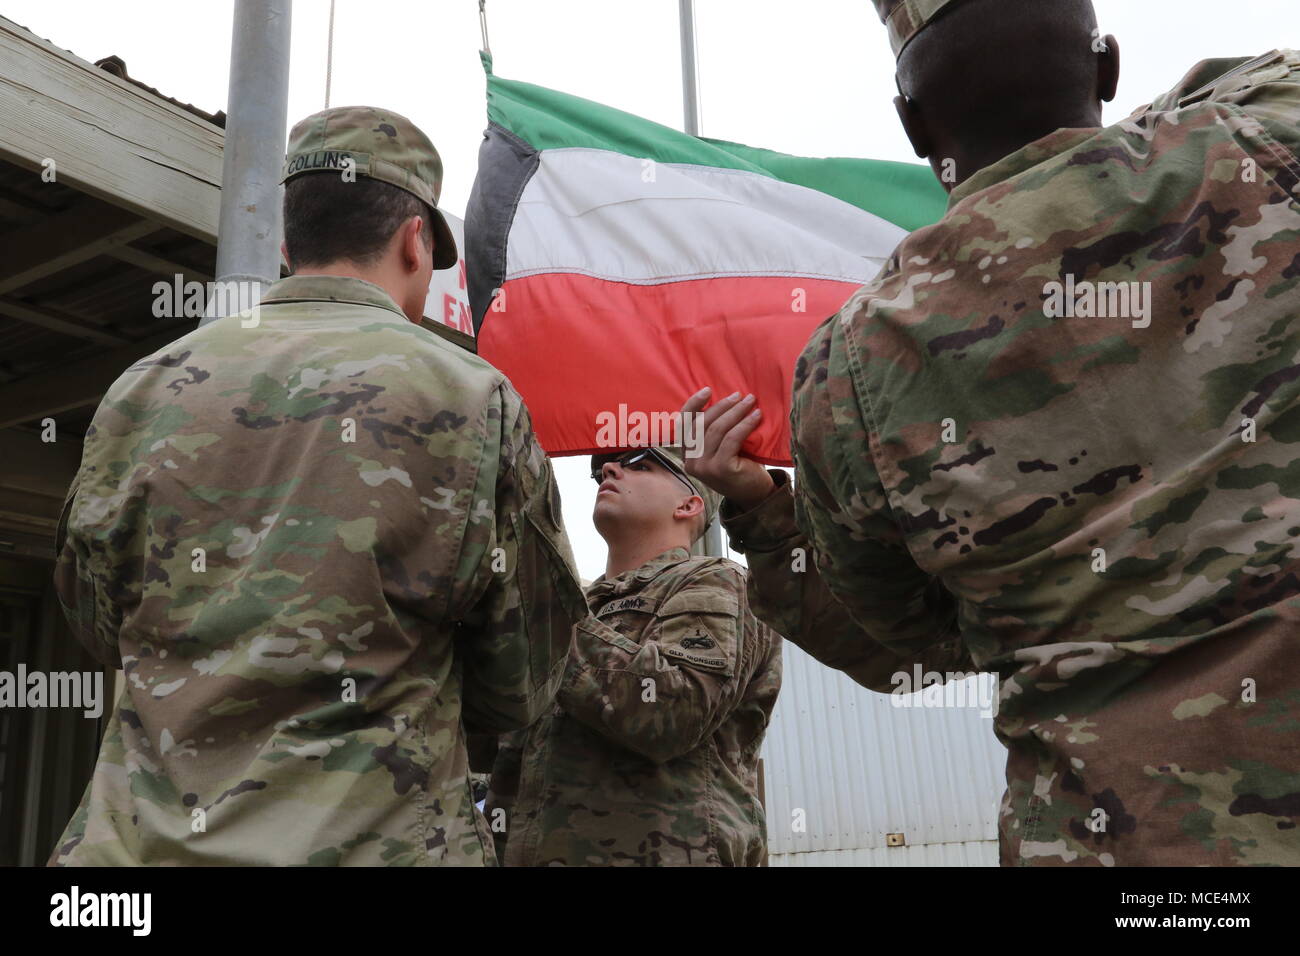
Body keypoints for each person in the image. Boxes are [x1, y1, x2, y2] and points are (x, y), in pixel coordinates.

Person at [684, 0, 1300, 866]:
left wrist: (765, 518)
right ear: (1109, 68)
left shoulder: (855, 363)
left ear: (913, 124)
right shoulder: (1264, 147)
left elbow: (911, 640)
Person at [49, 106, 587, 866]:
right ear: (414, 241)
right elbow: (523, 678)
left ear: (284, 241)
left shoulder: (142, 388)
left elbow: (98, 619)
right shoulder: (471, 398)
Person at [481, 447, 781, 866]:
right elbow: (491, 746)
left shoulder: (717, 581)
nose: (608, 469)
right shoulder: (571, 610)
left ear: (689, 503)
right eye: (603, 467)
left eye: (639, 464)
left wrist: (545, 611)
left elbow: (672, 713)